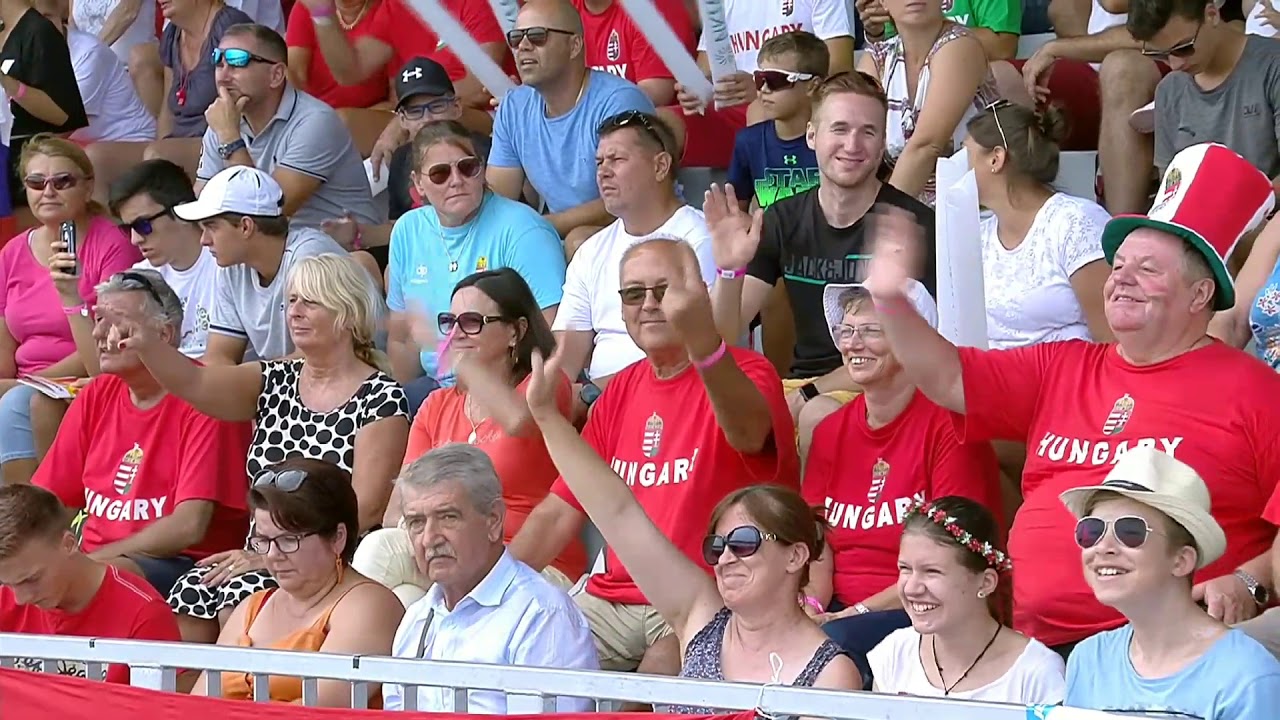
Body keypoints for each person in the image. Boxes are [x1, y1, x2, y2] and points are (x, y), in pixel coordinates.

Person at [858, 142, 1280, 658]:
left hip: (1170, 656)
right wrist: (889, 299)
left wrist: (1250, 581)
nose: (1121, 277)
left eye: (1148, 269)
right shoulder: (1064, 364)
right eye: (1118, 264)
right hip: (1031, 648)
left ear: (1199, 296)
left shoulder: (1257, 391)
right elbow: (949, 379)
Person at [510, 237, 800, 675]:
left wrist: (703, 339)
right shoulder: (620, 390)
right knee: (523, 659)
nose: (647, 304)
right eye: (633, 293)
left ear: (698, 294)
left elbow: (747, 434)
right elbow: (559, 511)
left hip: (703, 597)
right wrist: (491, 590)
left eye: (663, 290)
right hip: (610, 599)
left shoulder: (746, 371)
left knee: (657, 678)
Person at [527, 347, 858, 700]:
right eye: (716, 548)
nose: (726, 558)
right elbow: (618, 512)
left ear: (795, 556)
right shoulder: (702, 620)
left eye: (744, 542)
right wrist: (548, 418)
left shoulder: (831, 673)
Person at [108, 253, 408, 643]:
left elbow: (364, 506)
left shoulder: (380, 395)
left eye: (311, 302)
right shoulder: (274, 377)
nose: (295, 312)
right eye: (292, 301)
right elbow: (196, 385)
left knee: (241, 594)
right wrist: (147, 344)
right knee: (193, 591)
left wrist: (267, 556)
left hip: (326, 555)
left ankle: (242, 701)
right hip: (263, 552)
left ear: (348, 315)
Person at [706, 72, 934, 461]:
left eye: (868, 132)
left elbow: (905, 352)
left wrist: (812, 392)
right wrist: (729, 271)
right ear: (812, 136)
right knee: (720, 412)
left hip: (883, 383)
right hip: (801, 381)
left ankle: (812, 523)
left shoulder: (909, 224)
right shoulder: (781, 219)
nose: (852, 145)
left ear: (882, 145)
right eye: (839, 128)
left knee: (817, 416)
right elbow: (723, 334)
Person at [355, 269, 587, 606]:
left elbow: (518, 421)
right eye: (451, 322)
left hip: (531, 563)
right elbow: (396, 512)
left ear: (515, 332)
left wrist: (450, 355)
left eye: (472, 322)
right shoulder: (436, 405)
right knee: (399, 591)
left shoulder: (546, 386)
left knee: (399, 579)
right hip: (446, 552)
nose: (458, 334)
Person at [804, 283, 1001, 670]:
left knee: (829, 647)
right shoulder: (830, 431)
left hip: (924, 610)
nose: (854, 343)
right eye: (847, 331)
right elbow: (817, 543)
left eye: (872, 331)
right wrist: (810, 606)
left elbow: (953, 556)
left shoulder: (948, 426)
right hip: (839, 616)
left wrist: (850, 615)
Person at [33, 269, 254, 597]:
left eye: (117, 321)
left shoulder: (207, 398)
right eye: (98, 320)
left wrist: (90, 561)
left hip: (183, 564)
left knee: (100, 580)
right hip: (99, 558)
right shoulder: (97, 393)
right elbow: (48, 503)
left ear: (164, 334)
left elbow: (188, 527)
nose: (99, 334)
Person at [1061, 448, 1280, 715]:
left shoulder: (1247, 673)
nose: (1103, 546)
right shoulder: (1088, 659)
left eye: (1130, 531)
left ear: (1181, 561)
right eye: (1091, 531)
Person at [384, 445, 599, 713]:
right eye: (416, 522)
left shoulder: (542, 616)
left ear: (494, 520)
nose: (429, 538)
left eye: (448, 517)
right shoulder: (415, 619)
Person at [188, 458, 404, 705]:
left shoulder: (370, 606)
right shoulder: (250, 607)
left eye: (289, 540)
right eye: (264, 541)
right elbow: (198, 704)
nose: (272, 555)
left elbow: (322, 710)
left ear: (337, 538)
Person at [386, 121, 565, 414]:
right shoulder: (408, 230)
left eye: (467, 167)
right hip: (435, 389)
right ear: (418, 184)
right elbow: (403, 338)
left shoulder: (523, 229)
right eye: (440, 173)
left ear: (481, 169)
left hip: (507, 387)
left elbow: (550, 335)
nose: (456, 180)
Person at [0, 134, 140, 485]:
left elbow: (107, 345)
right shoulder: (13, 251)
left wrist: (23, 382)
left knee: (17, 402)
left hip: (86, 375)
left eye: (62, 181)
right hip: (24, 380)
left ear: (88, 187)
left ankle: (21, 523)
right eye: (36, 182)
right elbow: (4, 335)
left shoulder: (112, 245)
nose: (48, 191)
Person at [553, 110, 716, 407]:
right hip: (599, 405)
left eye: (617, 160)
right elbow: (565, 356)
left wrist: (595, 394)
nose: (603, 172)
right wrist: (552, 399)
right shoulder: (591, 251)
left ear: (660, 166)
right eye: (599, 162)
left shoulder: (699, 238)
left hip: (679, 398)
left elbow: (690, 350)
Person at [486, 0, 656, 244]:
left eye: (537, 36)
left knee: (577, 241)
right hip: (559, 233)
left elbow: (630, 196)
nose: (523, 46)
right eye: (515, 38)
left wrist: (539, 227)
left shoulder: (618, 101)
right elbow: (499, 199)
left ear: (574, 45)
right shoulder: (514, 105)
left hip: (640, 228)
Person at [867, 496, 1065, 700]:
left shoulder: (1036, 673)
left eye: (932, 571)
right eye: (905, 569)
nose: (912, 588)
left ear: (986, 582)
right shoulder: (894, 653)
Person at [194, 23, 379, 231]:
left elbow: (266, 212)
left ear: (276, 75)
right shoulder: (223, 121)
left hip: (342, 253)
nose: (223, 75)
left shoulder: (315, 121)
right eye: (218, 61)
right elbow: (204, 203)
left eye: (237, 61)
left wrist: (229, 137)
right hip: (278, 252)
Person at [0, 483, 181, 685]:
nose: (20, 598)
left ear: (68, 545)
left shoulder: (143, 614)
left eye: (32, 579)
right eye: (7, 583)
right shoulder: (4, 600)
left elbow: (160, 709)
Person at [966, 103, 1113, 349]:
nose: (956, 166)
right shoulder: (977, 236)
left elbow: (1112, 337)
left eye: (965, 154)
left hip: (1067, 380)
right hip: (994, 379)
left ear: (996, 158)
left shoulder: (1076, 224)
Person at [329, 56, 493, 269]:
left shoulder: (485, 150)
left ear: (456, 107)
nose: (427, 118)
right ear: (402, 120)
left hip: (480, 252)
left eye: (436, 106)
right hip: (425, 259)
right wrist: (359, 234)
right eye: (415, 111)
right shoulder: (401, 158)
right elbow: (401, 228)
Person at [180, 166, 346, 365]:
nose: (204, 240)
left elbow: (314, 359)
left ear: (245, 227)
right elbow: (220, 357)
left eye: (212, 227)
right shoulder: (231, 268)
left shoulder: (309, 258)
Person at [854, 0, 999, 204]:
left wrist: (880, 219)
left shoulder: (961, 46)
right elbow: (859, 143)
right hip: (908, 206)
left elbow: (926, 147)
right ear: (883, 2)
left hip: (973, 206)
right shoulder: (877, 59)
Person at [1130, 0, 1280, 181]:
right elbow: (1172, 189)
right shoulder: (1169, 90)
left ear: (1212, 15)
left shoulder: (1272, 65)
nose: (1174, 65)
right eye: (1159, 55)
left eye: (1184, 48)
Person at [113, 159, 217, 359]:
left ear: (182, 211)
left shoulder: (227, 264)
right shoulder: (139, 277)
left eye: (143, 225)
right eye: (128, 229)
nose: (135, 239)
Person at [0, 0, 89, 205]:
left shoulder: (40, 32)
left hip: (26, 151)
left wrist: (9, 83)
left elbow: (62, 115)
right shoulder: (5, 30)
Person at [726, 32, 827, 210]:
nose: (764, 89)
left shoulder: (834, 142)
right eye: (759, 79)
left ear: (813, 85)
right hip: (771, 237)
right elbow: (735, 214)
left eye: (775, 80)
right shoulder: (748, 142)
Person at [572, 0, 694, 106]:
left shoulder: (651, 6)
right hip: (595, 120)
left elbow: (654, 94)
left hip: (654, 123)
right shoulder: (565, 10)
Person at [858, 0, 1023, 60]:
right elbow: (884, 54)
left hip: (971, 80)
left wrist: (927, 25)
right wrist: (875, 33)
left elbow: (1003, 48)